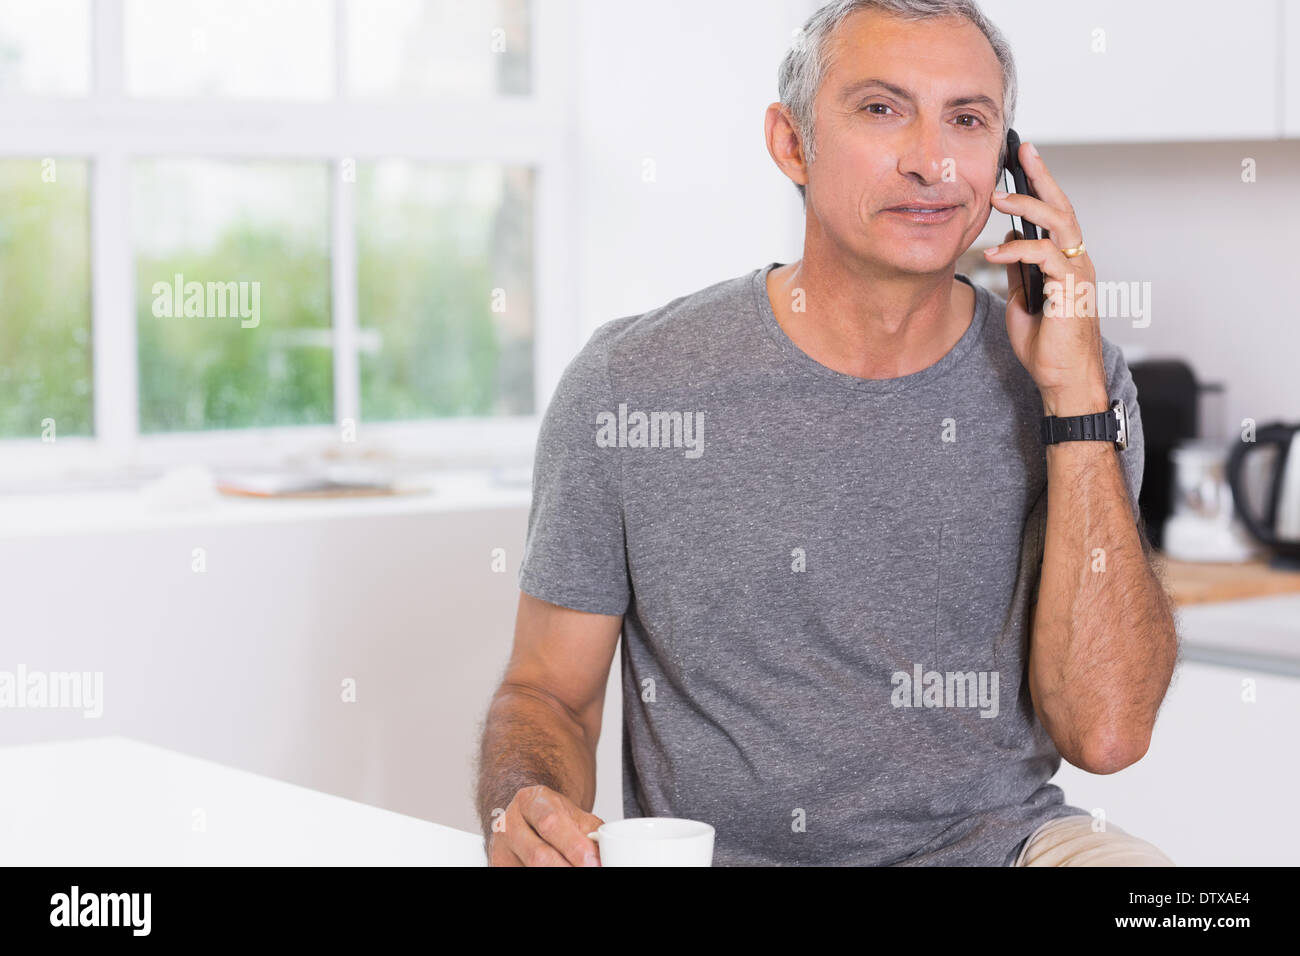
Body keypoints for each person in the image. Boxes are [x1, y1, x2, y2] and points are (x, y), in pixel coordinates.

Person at [476, 0, 1178, 867]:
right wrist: (523, 802)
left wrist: (1073, 399)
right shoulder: (632, 385)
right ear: (791, 143)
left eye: (967, 120)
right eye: (883, 110)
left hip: (1009, 850)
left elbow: (1105, 735)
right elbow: (547, 690)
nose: (931, 162)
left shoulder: (1077, 376)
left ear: (1007, 163)